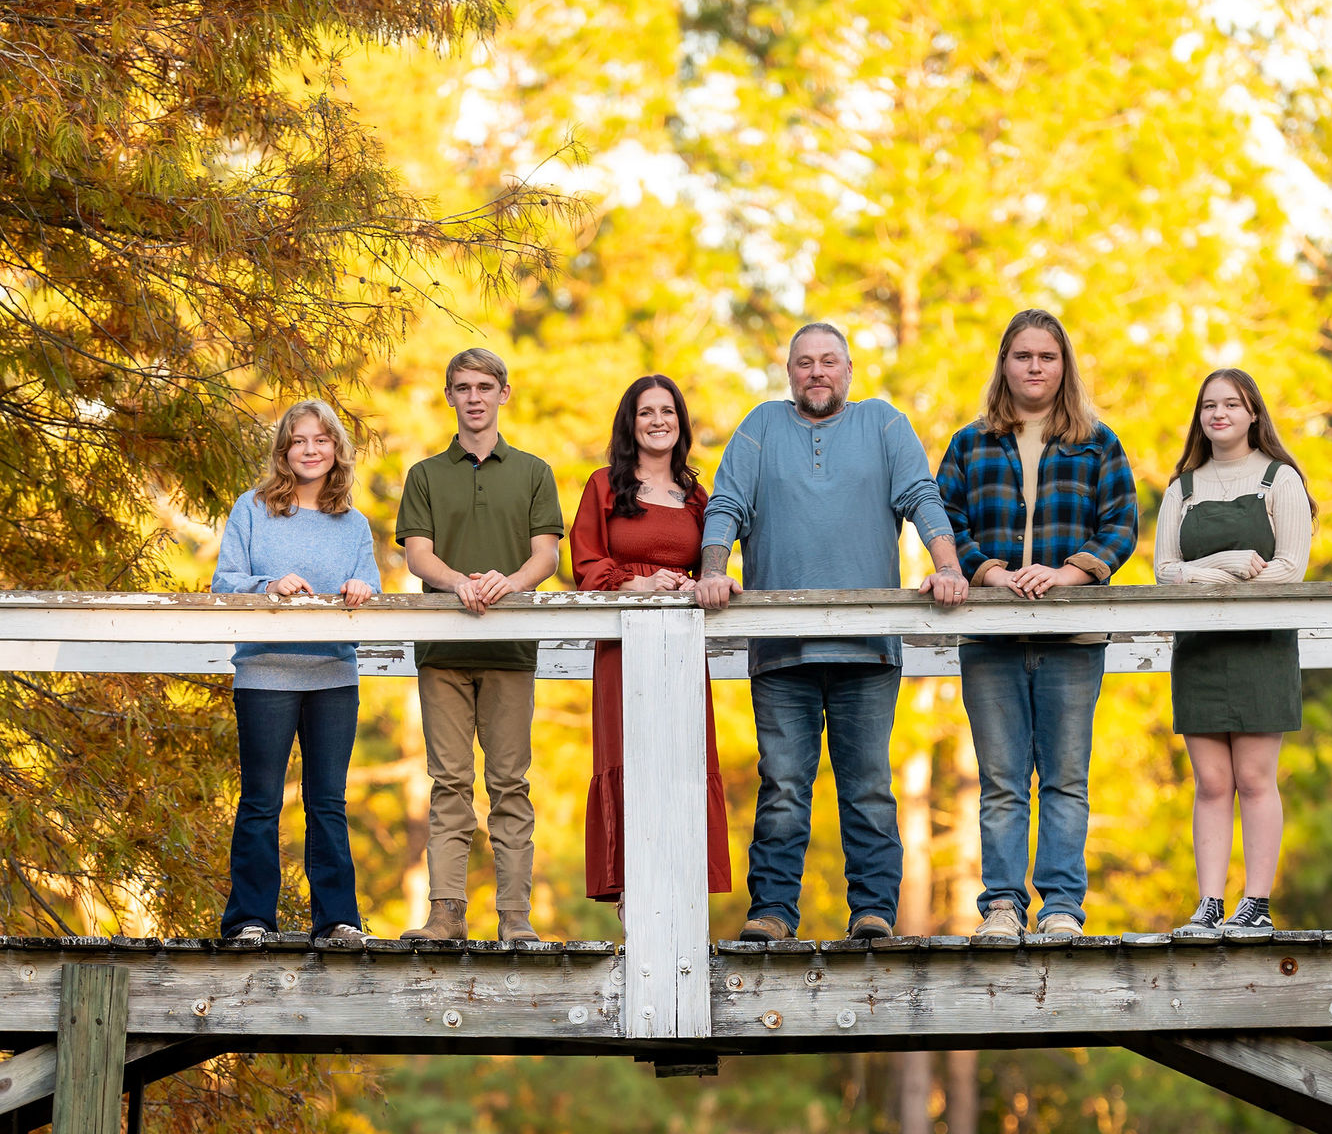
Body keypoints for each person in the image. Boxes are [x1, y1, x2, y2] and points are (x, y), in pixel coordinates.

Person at [695, 321, 968, 942]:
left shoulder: (884, 424)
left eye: (828, 362)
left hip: (867, 651)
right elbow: (726, 504)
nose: (816, 372)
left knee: (868, 787)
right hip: (781, 653)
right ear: (788, 372)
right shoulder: (761, 427)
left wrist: (947, 567)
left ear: (848, 370)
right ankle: (772, 914)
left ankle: (873, 912)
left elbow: (921, 496)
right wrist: (714, 571)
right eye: (803, 363)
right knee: (784, 786)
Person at [937, 311, 1138, 943]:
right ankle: (1001, 904)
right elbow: (944, 520)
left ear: (1063, 366)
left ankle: (1060, 906)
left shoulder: (1097, 441)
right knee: (1000, 781)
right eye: (1022, 356)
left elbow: (1121, 524)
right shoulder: (971, 443)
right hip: (991, 639)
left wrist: (1068, 573)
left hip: (1071, 640)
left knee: (1066, 778)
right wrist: (992, 575)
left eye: (1046, 357)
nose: (1034, 368)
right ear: (1004, 364)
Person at [395, 348, 564, 946]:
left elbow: (546, 554)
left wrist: (508, 583)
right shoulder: (424, 475)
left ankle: (515, 920)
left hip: (511, 650)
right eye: (463, 387)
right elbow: (417, 554)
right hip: (443, 650)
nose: (474, 397)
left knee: (510, 785)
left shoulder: (533, 471)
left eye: (485, 386)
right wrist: (460, 582)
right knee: (448, 784)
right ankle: (445, 916)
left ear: (503, 394)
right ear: (450, 396)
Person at [212, 398, 380, 952]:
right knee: (261, 799)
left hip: (333, 672)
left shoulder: (353, 523)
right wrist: (269, 585)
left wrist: (362, 591)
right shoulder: (252, 510)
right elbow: (225, 582)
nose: (311, 450)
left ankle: (337, 921)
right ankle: (250, 921)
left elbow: (370, 585)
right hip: (265, 671)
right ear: (285, 451)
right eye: (299, 441)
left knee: (327, 800)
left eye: (321, 440)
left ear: (337, 451)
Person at [1155, 369, 1315, 940]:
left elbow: (1290, 569)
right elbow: (1165, 572)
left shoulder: (1281, 481)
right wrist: (1224, 563)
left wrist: (1205, 573)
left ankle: (1257, 903)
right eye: (1208, 406)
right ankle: (1209, 904)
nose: (1218, 414)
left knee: (1253, 777)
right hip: (1200, 649)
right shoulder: (1183, 488)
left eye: (1231, 404)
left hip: (1260, 648)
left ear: (1253, 414)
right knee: (1212, 781)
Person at [571, 375, 731, 909]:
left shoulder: (698, 496)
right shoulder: (604, 486)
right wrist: (637, 583)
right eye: (646, 412)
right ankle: (630, 894)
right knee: (629, 748)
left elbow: (714, 562)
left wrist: (696, 582)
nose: (658, 420)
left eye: (668, 411)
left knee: (684, 753)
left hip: (685, 646)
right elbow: (587, 564)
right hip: (624, 644)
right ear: (630, 423)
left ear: (681, 423)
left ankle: (682, 887)